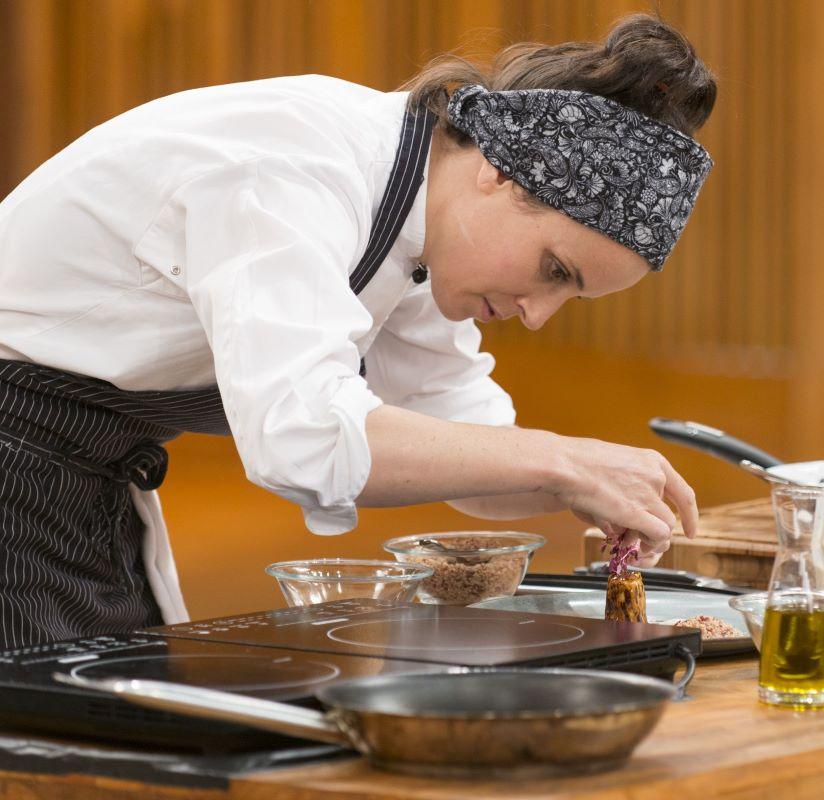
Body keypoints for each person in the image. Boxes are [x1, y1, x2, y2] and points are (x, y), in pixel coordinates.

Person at [0, 14, 716, 648]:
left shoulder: (421, 226)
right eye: (554, 269)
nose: (537, 312)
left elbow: (464, 436)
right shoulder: (291, 171)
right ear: (500, 173)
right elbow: (304, 439)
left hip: (75, 490)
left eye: (572, 297)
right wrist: (563, 463)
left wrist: (590, 489)